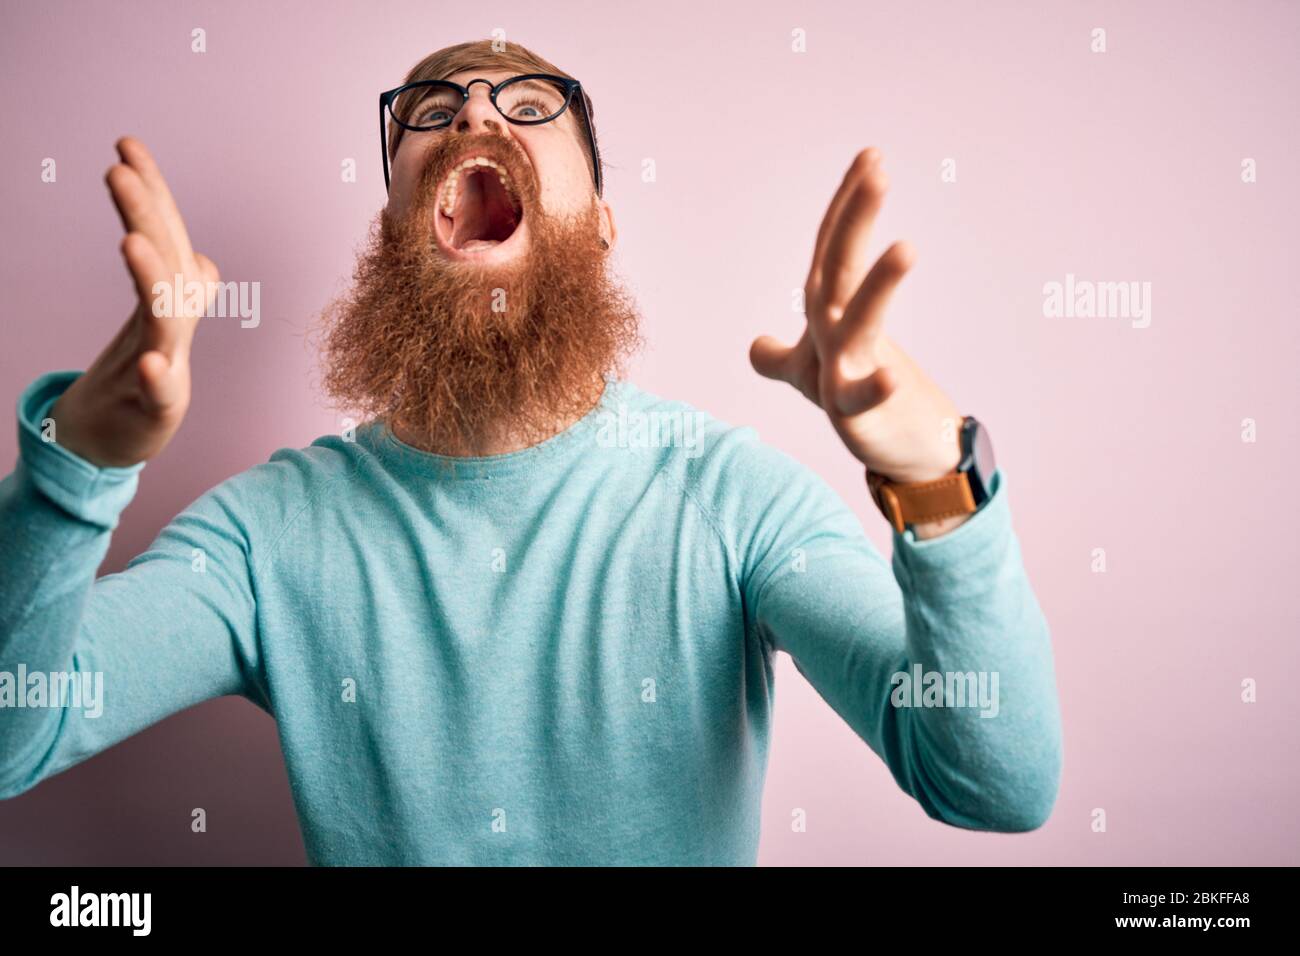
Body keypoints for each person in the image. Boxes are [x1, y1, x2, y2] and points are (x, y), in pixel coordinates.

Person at [0, 39, 1062, 865]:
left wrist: (934, 481)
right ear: (394, 234)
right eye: (433, 107)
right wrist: (74, 467)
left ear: (598, 225)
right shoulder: (267, 532)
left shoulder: (729, 500)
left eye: (528, 102)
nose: (472, 110)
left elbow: (991, 781)